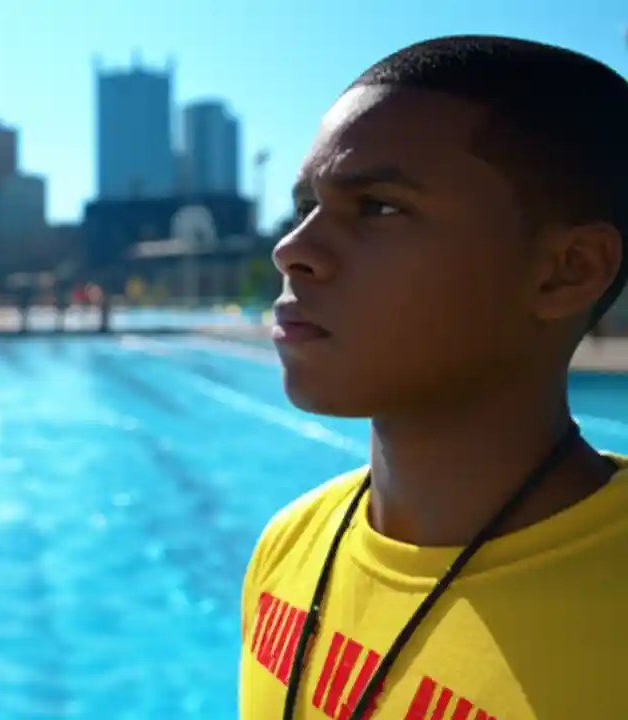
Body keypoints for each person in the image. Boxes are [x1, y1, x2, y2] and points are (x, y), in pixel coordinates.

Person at [240, 35, 628, 720]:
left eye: (379, 207)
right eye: (306, 208)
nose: (291, 249)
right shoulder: (290, 544)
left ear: (566, 271)